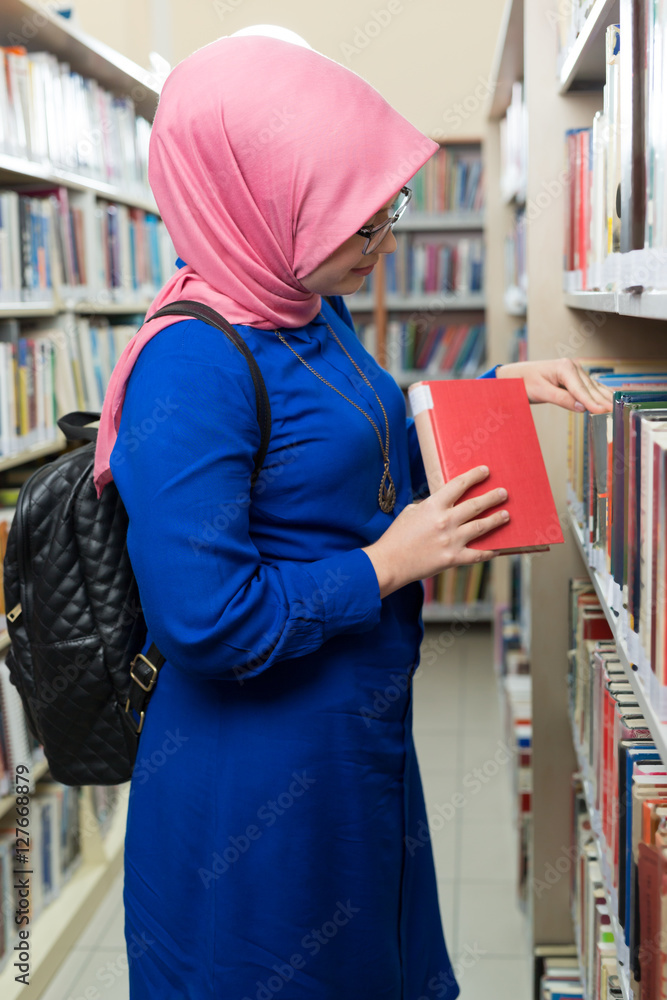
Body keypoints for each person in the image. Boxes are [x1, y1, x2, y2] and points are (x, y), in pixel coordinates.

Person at [93, 29, 612, 1000]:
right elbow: (203, 617)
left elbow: (353, 449)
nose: (384, 242)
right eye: (357, 224)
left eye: (388, 211)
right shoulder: (192, 362)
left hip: (348, 740)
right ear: (260, 203)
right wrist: (383, 565)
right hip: (252, 781)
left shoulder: (302, 301)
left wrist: (491, 393)